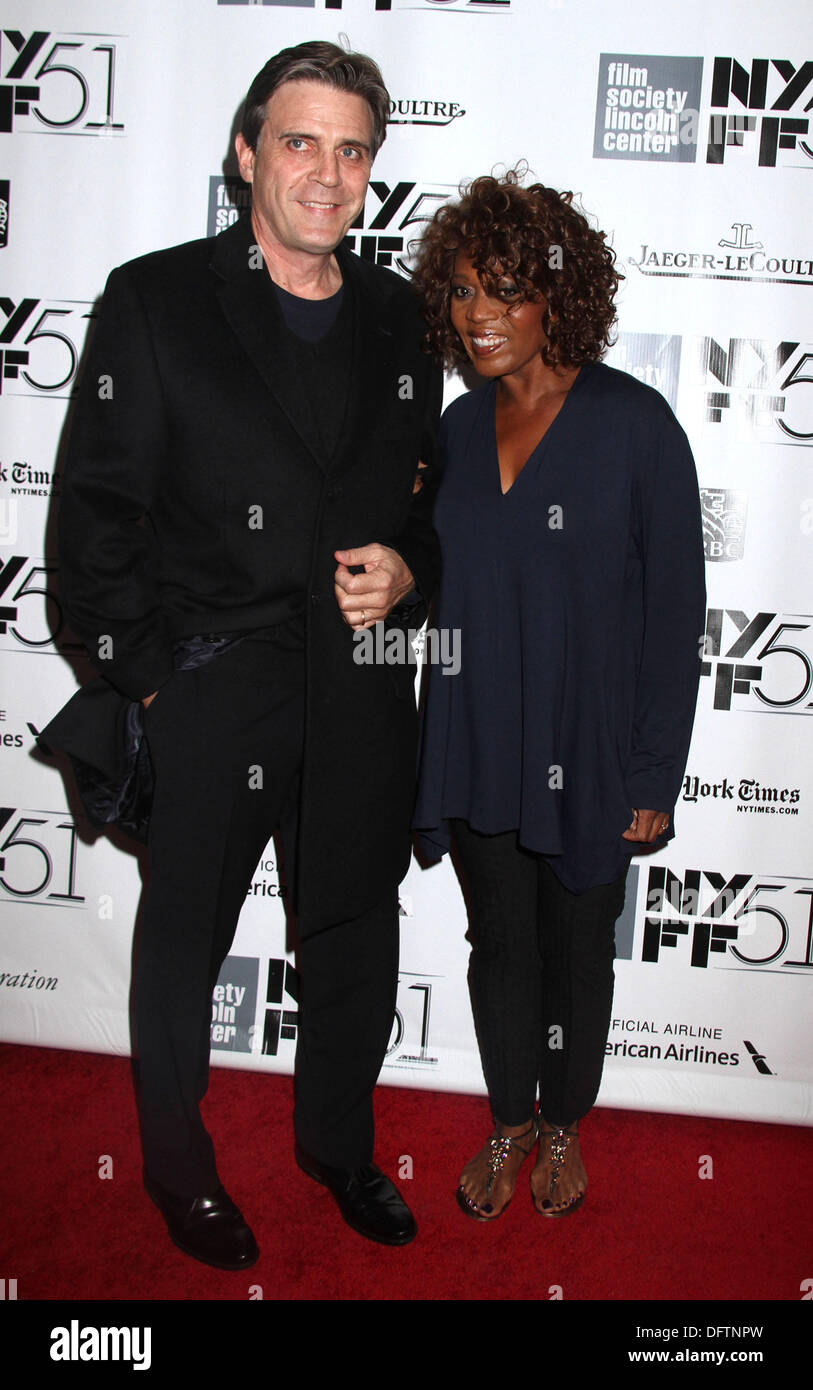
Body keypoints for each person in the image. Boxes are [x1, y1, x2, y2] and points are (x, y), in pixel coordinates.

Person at [49, 41, 442, 1266]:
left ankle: (337, 1143)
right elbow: (94, 522)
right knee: (183, 947)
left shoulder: (398, 317)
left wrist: (412, 569)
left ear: (371, 170)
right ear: (246, 154)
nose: (326, 173)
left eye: (351, 149)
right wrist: (159, 680)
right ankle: (178, 1170)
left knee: (355, 940)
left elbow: (422, 506)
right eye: (299, 141)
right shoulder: (155, 300)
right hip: (215, 686)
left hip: (362, 689)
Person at [411, 172, 705, 1220]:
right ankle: (508, 1121)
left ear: (555, 293)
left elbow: (676, 617)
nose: (479, 316)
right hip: (482, 737)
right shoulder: (451, 429)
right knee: (501, 942)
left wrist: (650, 775)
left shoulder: (636, 425)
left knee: (579, 950)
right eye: (459, 292)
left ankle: (566, 1123)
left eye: (503, 290)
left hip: (591, 745)